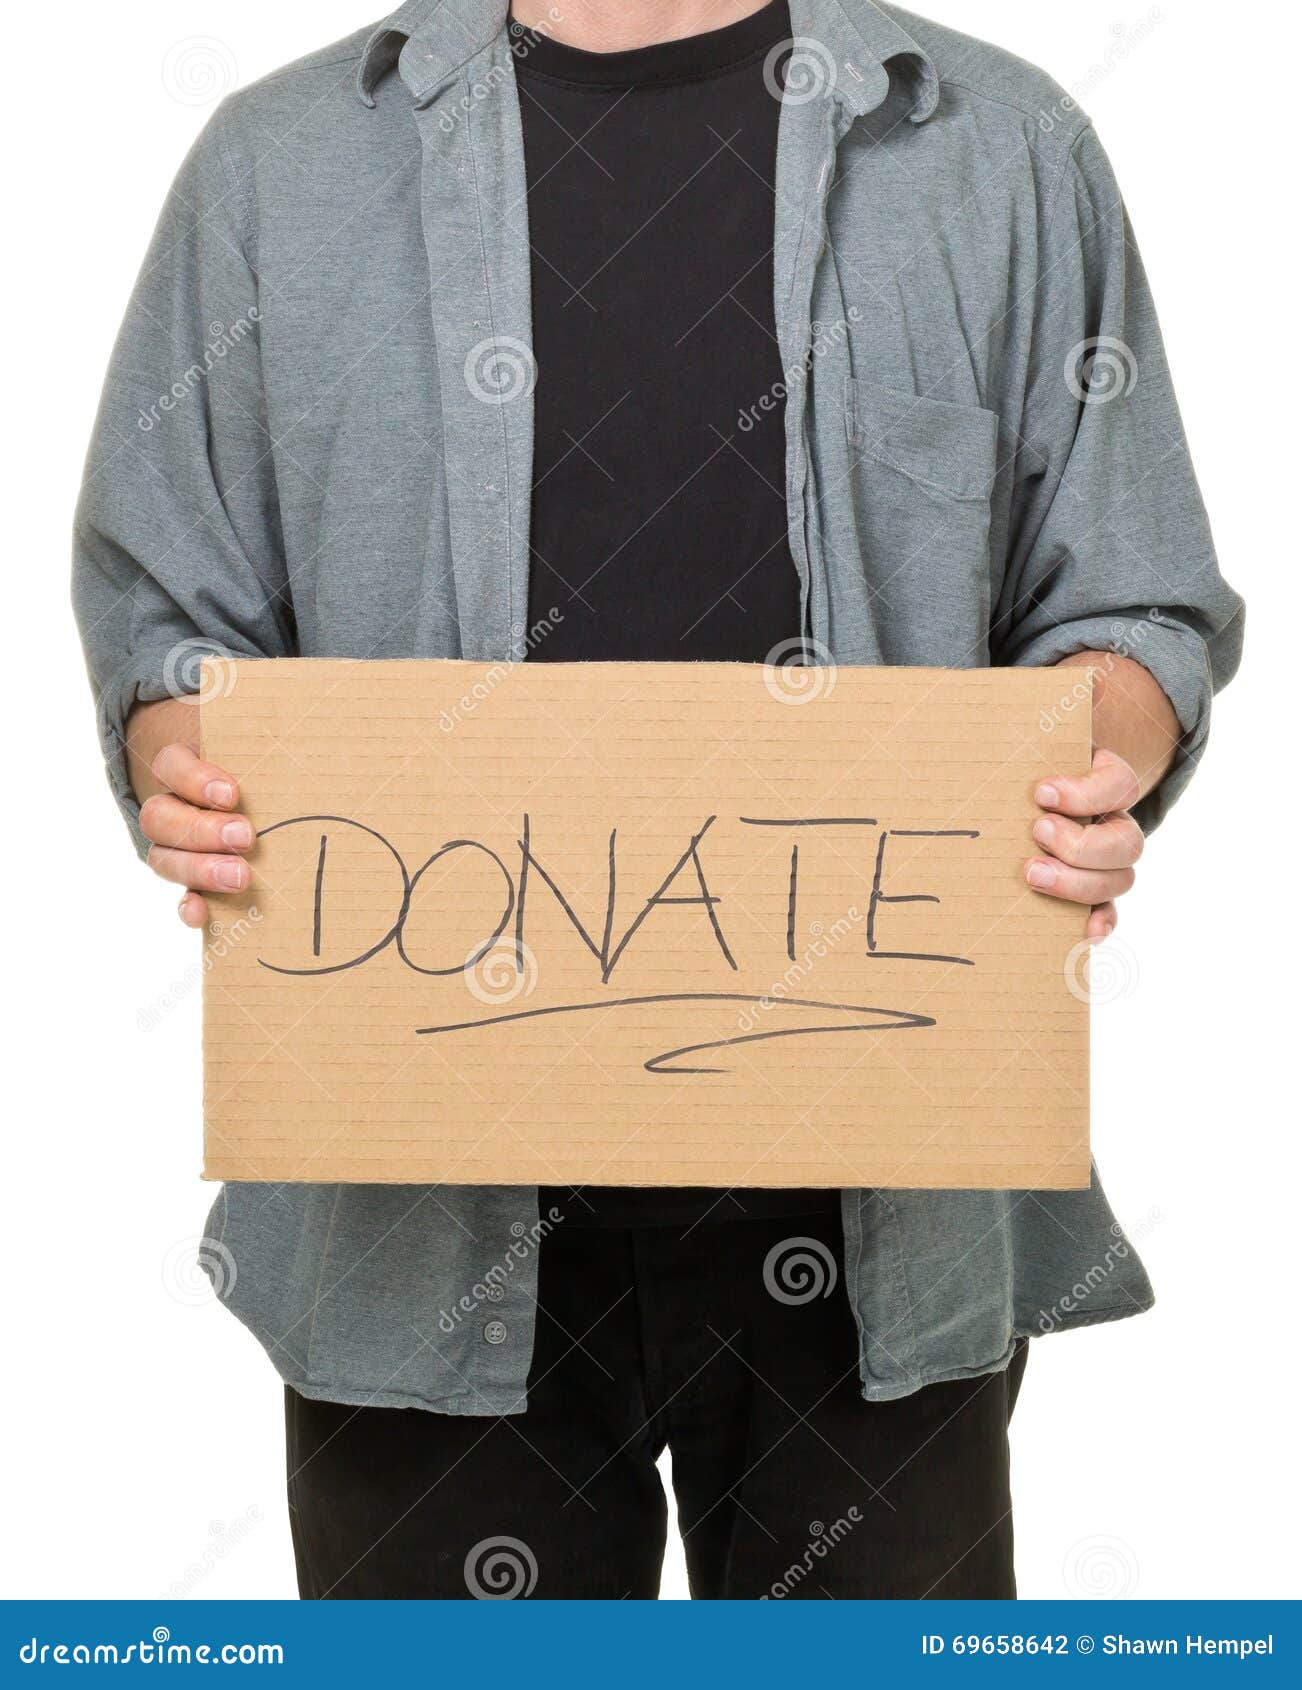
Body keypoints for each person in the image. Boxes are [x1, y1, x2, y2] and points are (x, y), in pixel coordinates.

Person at [73, 0, 1243, 1599]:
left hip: (881, 1185)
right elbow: (167, 616)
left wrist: (1101, 745)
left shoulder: (998, 145)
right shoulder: (277, 167)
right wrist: (179, 761)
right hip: (412, 1203)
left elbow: (1132, 601)